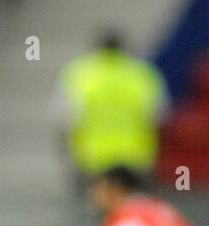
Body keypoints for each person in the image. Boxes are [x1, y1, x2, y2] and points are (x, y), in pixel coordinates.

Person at [54, 31, 169, 181]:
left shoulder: (79, 74)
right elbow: (159, 117)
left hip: (92, 159)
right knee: (133, 204)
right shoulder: (142, 74)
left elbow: (64, 119)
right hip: (134, 159)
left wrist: (68, 157)